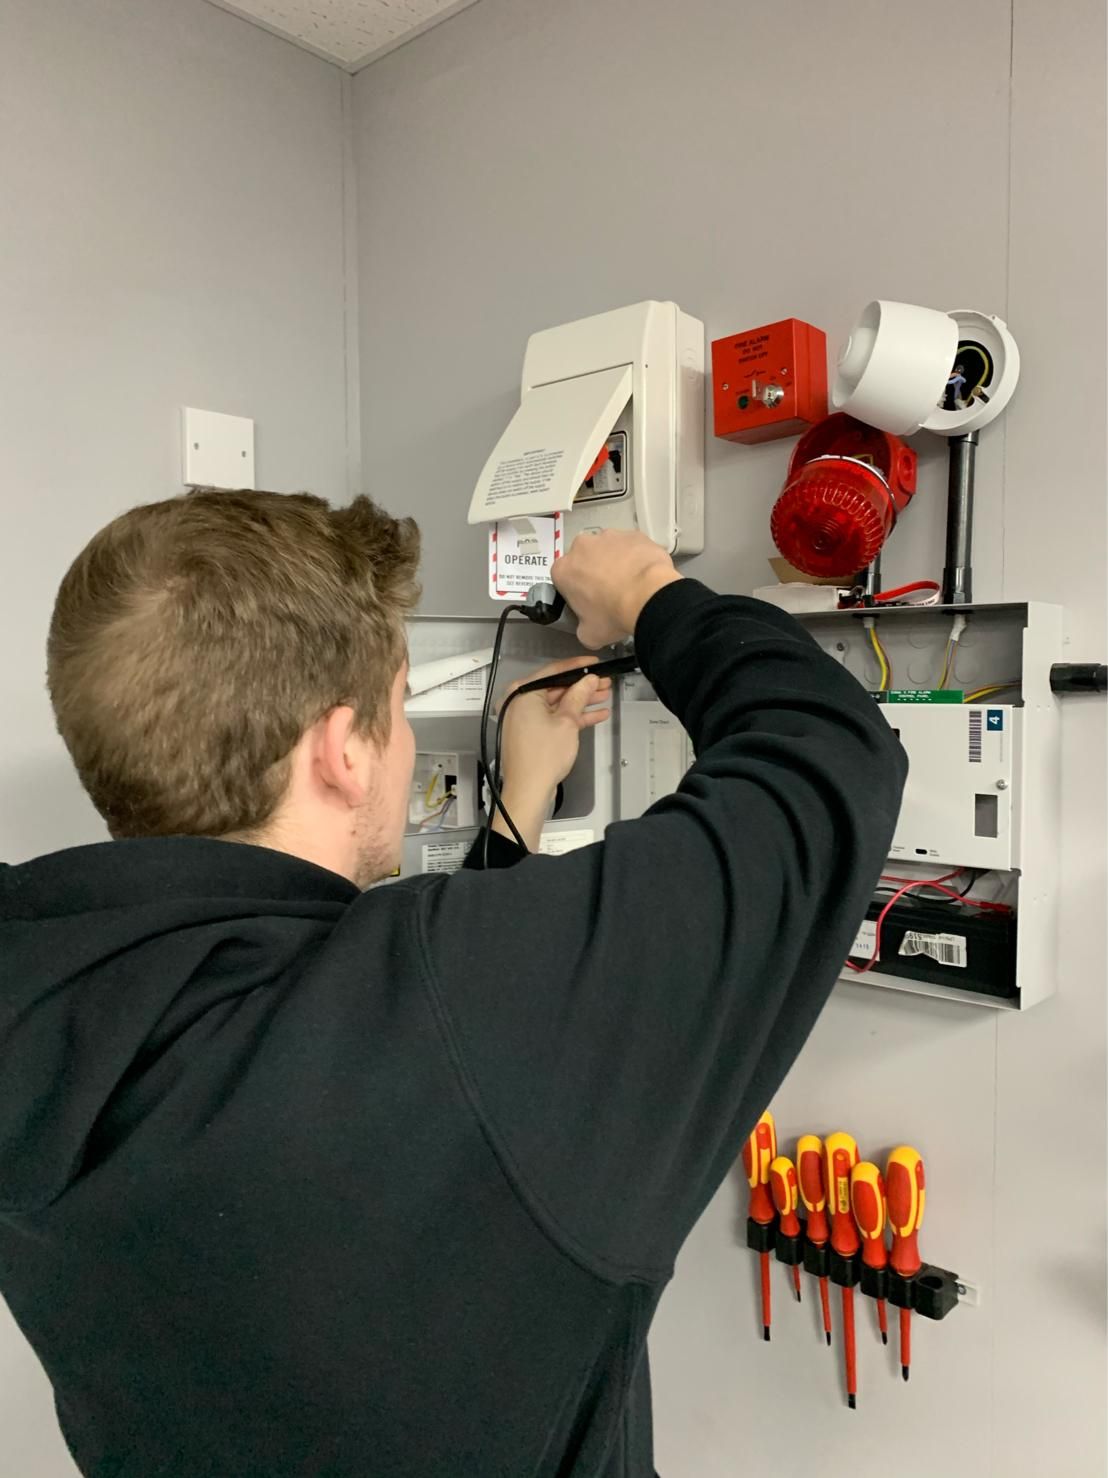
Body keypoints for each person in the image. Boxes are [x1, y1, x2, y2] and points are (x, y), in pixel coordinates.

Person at [0, 489, 905, 1478]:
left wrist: (521, 801)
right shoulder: (454, 1022)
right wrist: (649, 591)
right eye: (394, 709)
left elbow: (409, 1042)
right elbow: (827, 752)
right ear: (343, 752)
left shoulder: (38, 986)